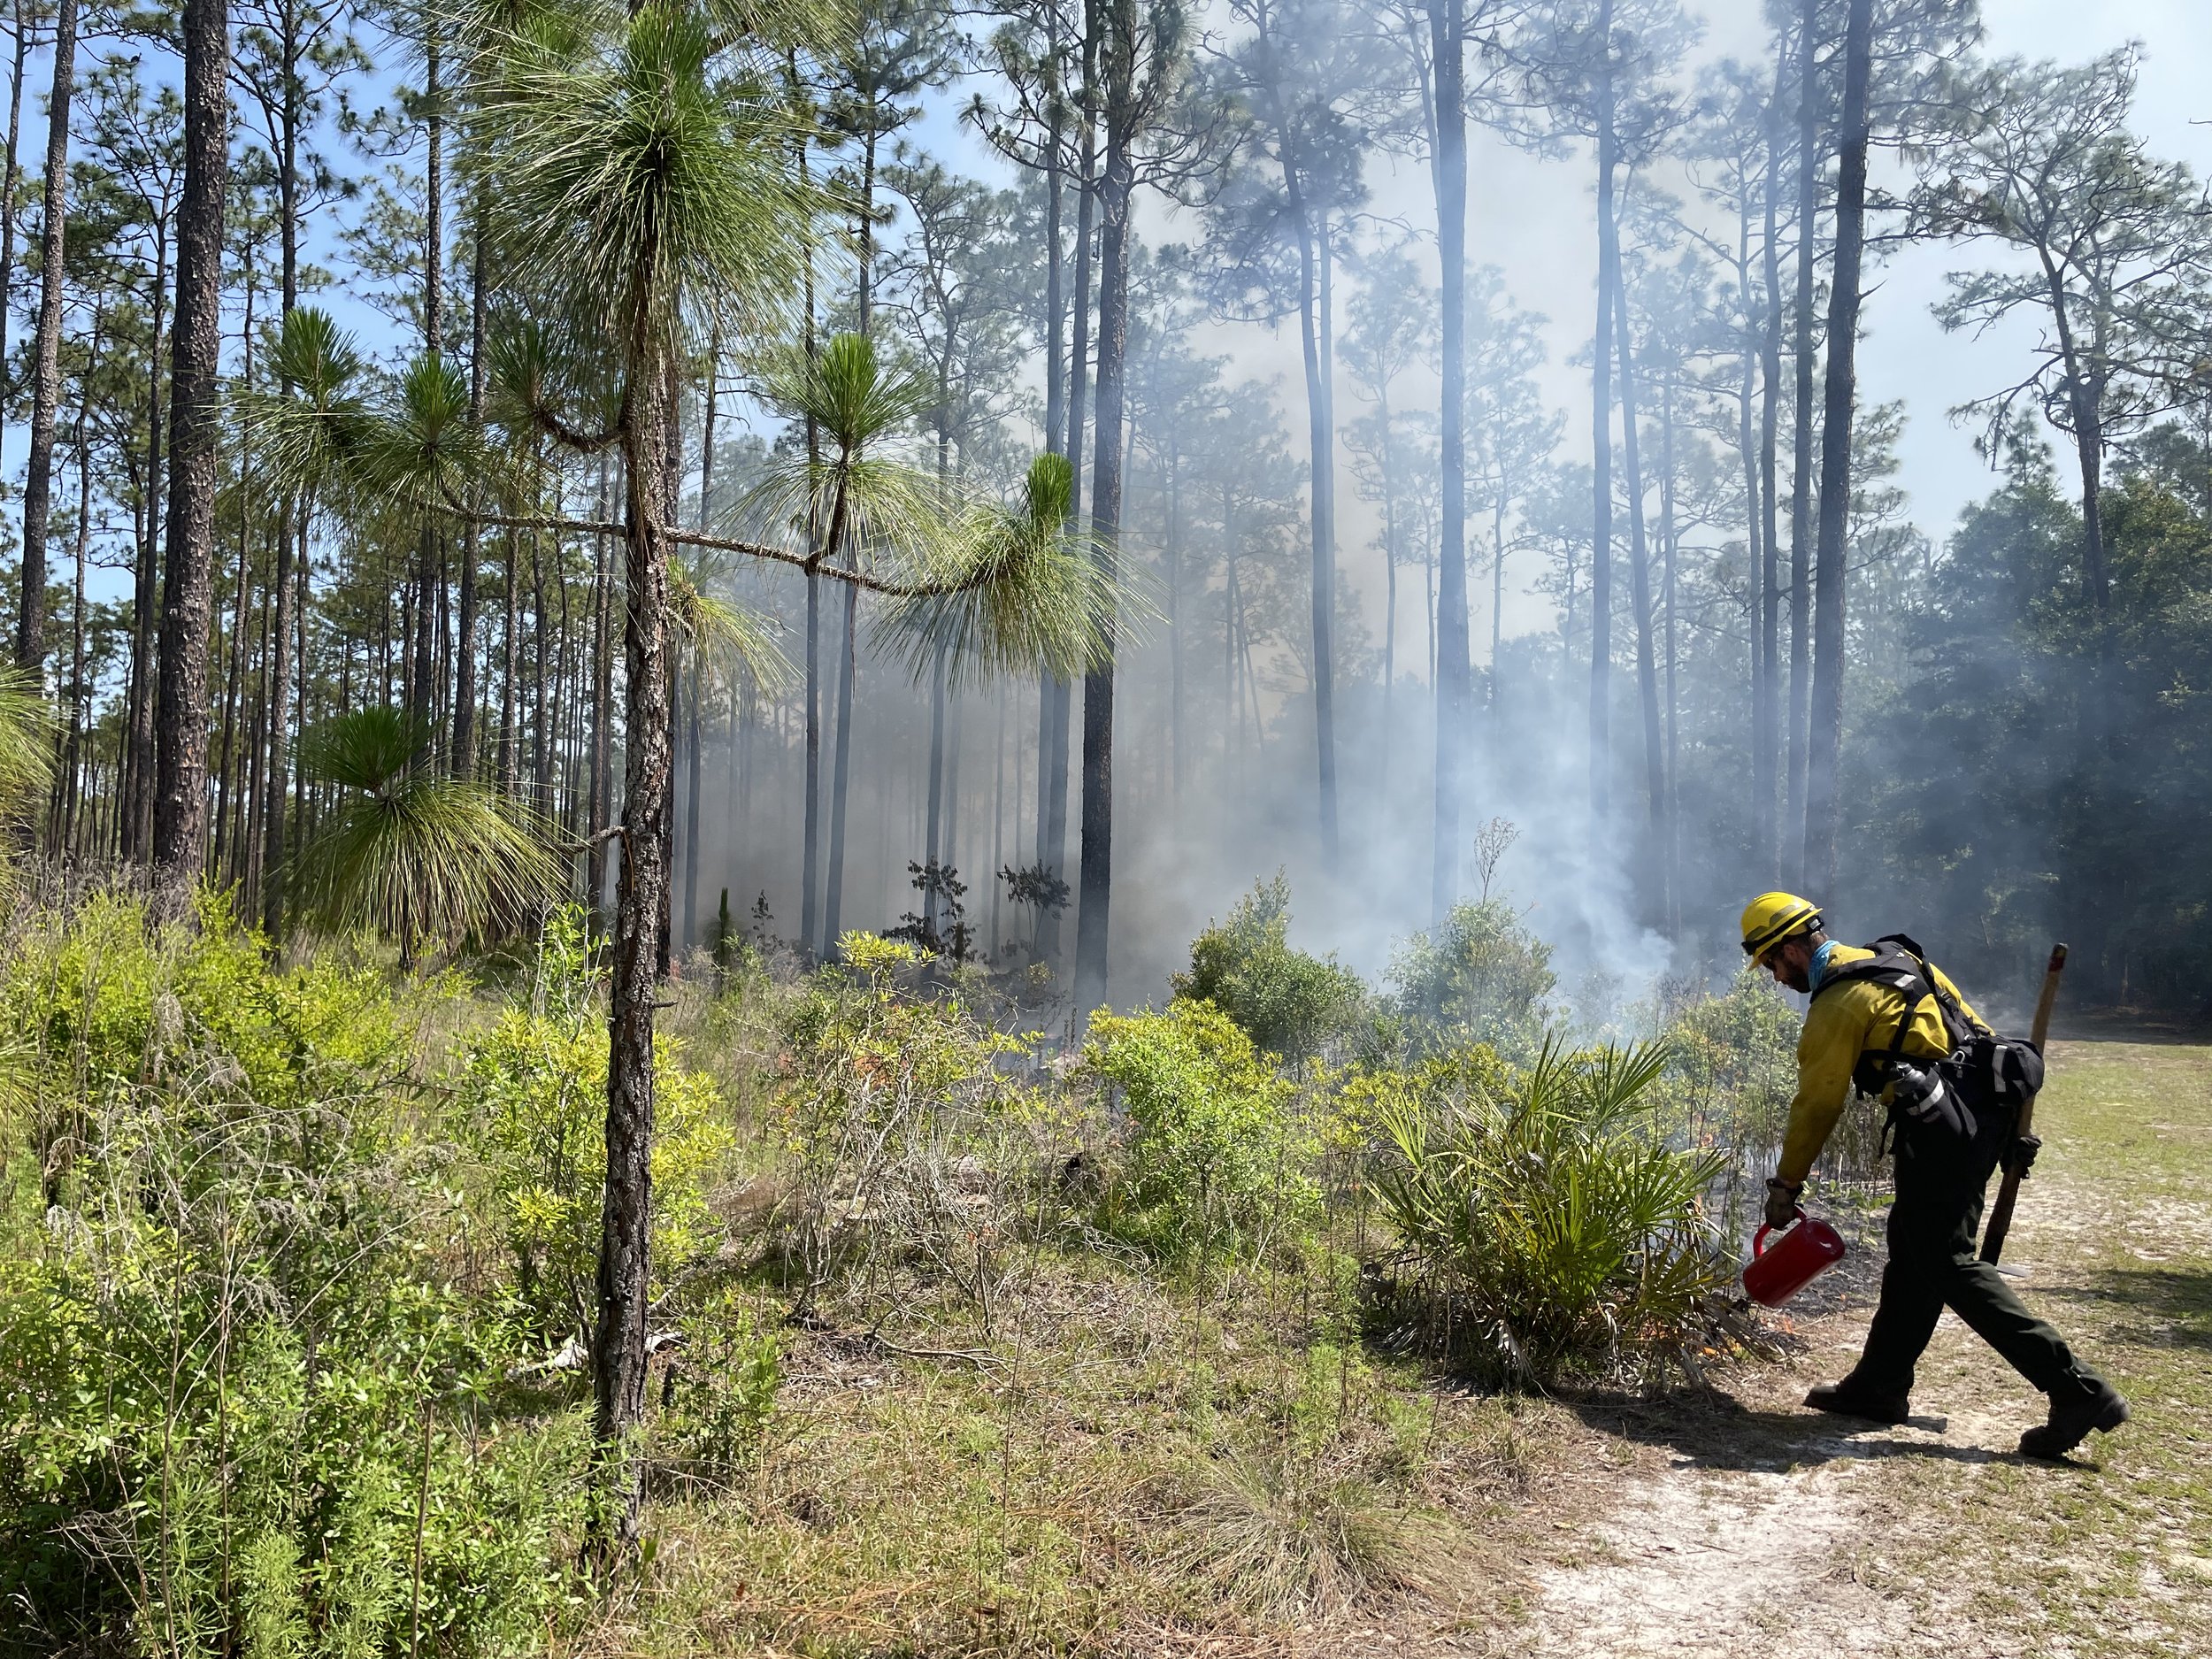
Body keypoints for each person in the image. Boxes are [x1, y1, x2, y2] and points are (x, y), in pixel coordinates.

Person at [1740, 891, 2129, 1460]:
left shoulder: (1839, 1004)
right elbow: (1975, 1034)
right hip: (1978, 1120)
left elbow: (1816, 1105)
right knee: (1915, 1249)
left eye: (1771, 963)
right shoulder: (1900, 959)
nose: (1774, 976)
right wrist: (2010, 1131)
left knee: (1946, 1260)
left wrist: (1786, 1186)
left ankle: (2079, 1391)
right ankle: (1880, 1386)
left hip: (1942, 1135)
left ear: (1794, 949)